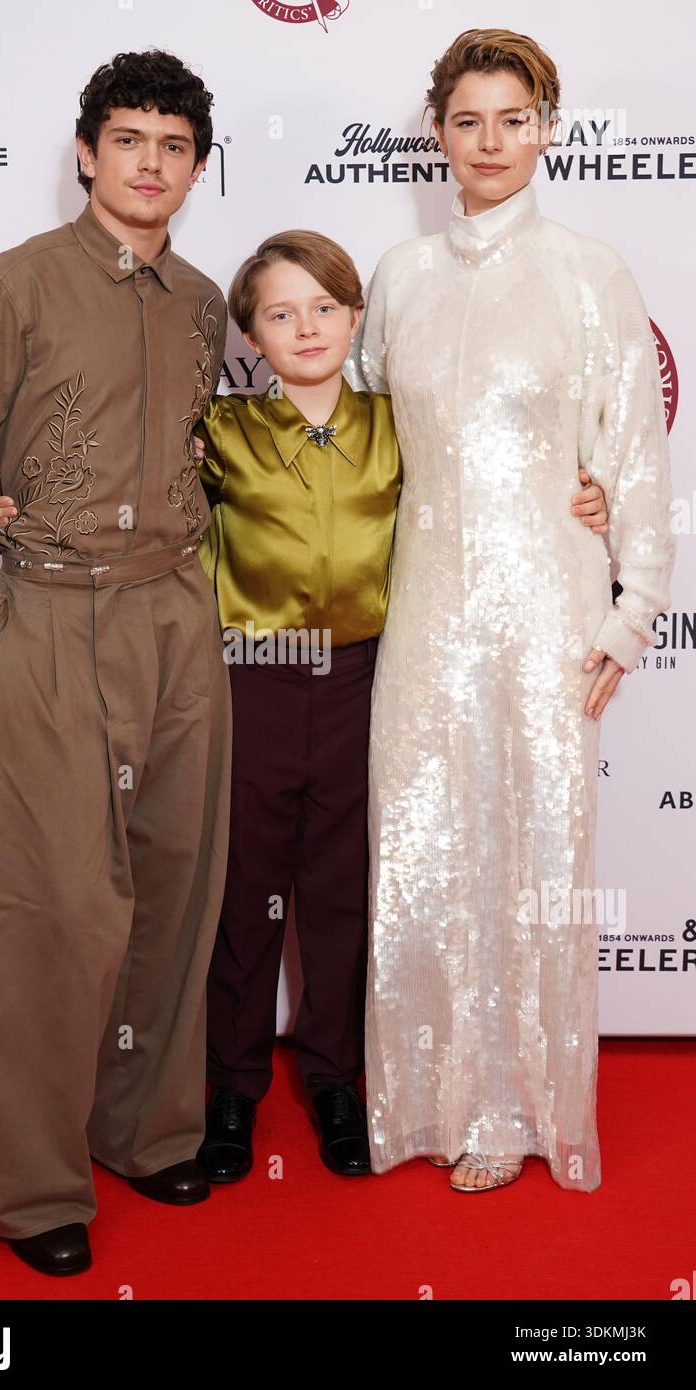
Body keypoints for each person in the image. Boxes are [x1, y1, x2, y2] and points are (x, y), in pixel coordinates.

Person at [0, 231, 609, 1186]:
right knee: (243, 890)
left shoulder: (400, 420)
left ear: (356, 317)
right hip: (251, 676)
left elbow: (490, 485)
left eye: (323, 307)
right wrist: (8, 501)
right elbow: (131, 493)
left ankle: (334, 1080)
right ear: (250, 335)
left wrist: (591, 495)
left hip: (373, 677)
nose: (305, 327)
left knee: (340, 891)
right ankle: (229, 1086)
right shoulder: (222, 431)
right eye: (279, 314)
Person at [0, 50, 231, 1276]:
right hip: (46, 614)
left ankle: (145, 1130)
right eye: (130, 139)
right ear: (88, 152)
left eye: (175, 145)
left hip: (173, 615)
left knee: (172, 888)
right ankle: (37, 1190)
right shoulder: (14, 285)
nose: (152, 163)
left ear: (196, 167)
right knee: (50, 909)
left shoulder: (201, 299)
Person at [344, 28, 675, 1193]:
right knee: (428, 847)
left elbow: (634, 458)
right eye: (468, 119)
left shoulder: (592, 271)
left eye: (515, 118)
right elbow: (360, 448)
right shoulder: (398, 277)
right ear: (437, 130)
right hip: (425, 606)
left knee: (535, 851)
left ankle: (524, 1106)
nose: (491, 142)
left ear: (547, 126)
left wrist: (633, 614)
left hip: (548, 603)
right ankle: (434, 1099)